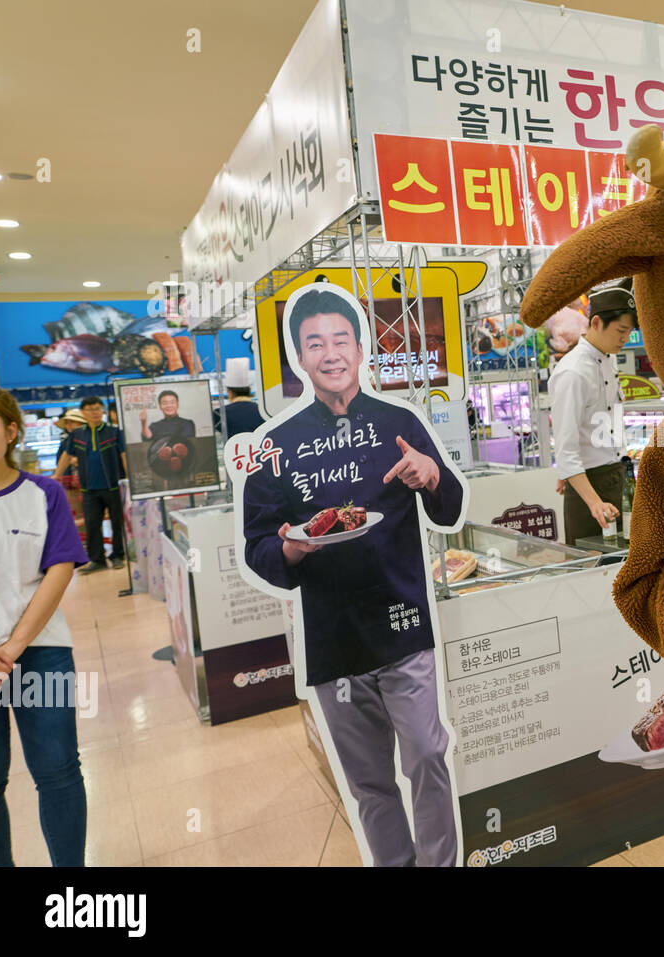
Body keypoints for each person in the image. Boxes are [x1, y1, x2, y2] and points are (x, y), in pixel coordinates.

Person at [241, 287, 465, 867]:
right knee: (369, 782)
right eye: (315, 343)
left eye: (341, 339)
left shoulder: (399, 421)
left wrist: (434, 475)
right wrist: (289, 549)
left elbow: (449, 507)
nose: (330, 353)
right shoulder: (277, 446)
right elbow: (259, 544)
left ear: (361, 349)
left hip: (402, 618)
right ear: (299, 357)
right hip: (333, 634)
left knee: (427, 757)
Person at [0, 387, 90, 867]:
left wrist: (13, 645)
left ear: (11, 431)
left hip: (41, 652)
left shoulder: (44, 494)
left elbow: (60, 568)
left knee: (57, 771)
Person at [549, 280, 636, 545]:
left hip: (614, 475)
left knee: (619, 570)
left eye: (629, 332)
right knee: (588, 570)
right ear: (596, 323)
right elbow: (565, 449)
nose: (625, 338)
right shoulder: (573, 372)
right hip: (590, 489)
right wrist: (593, 501)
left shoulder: (608, 360)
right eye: (621, 330)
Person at [67, 396, 126, 573]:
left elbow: (123, 455)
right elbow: (67, 455)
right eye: (91, 409)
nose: (95, 412)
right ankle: (97, 559)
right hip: (89, 488)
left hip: (113, 485)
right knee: (92, 524)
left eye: (98, 408)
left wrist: (129, 478)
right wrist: (55, 474)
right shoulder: (77, 434)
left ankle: (117, 556)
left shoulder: (114, 432)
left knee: (117, 522)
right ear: (83, 413)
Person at [213, 358, 265, 438]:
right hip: (260, 449)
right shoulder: (262, 411)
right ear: (249, 390)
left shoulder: (220, 413)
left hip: (232, 449)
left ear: (230, 393)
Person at [50, 409, 87, 480]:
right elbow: (59, 459)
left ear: (81, 423)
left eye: (73, 422)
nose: (69, 425)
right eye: (67, 423)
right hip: (70, 480)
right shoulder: (66, 442)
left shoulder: (91, 438)